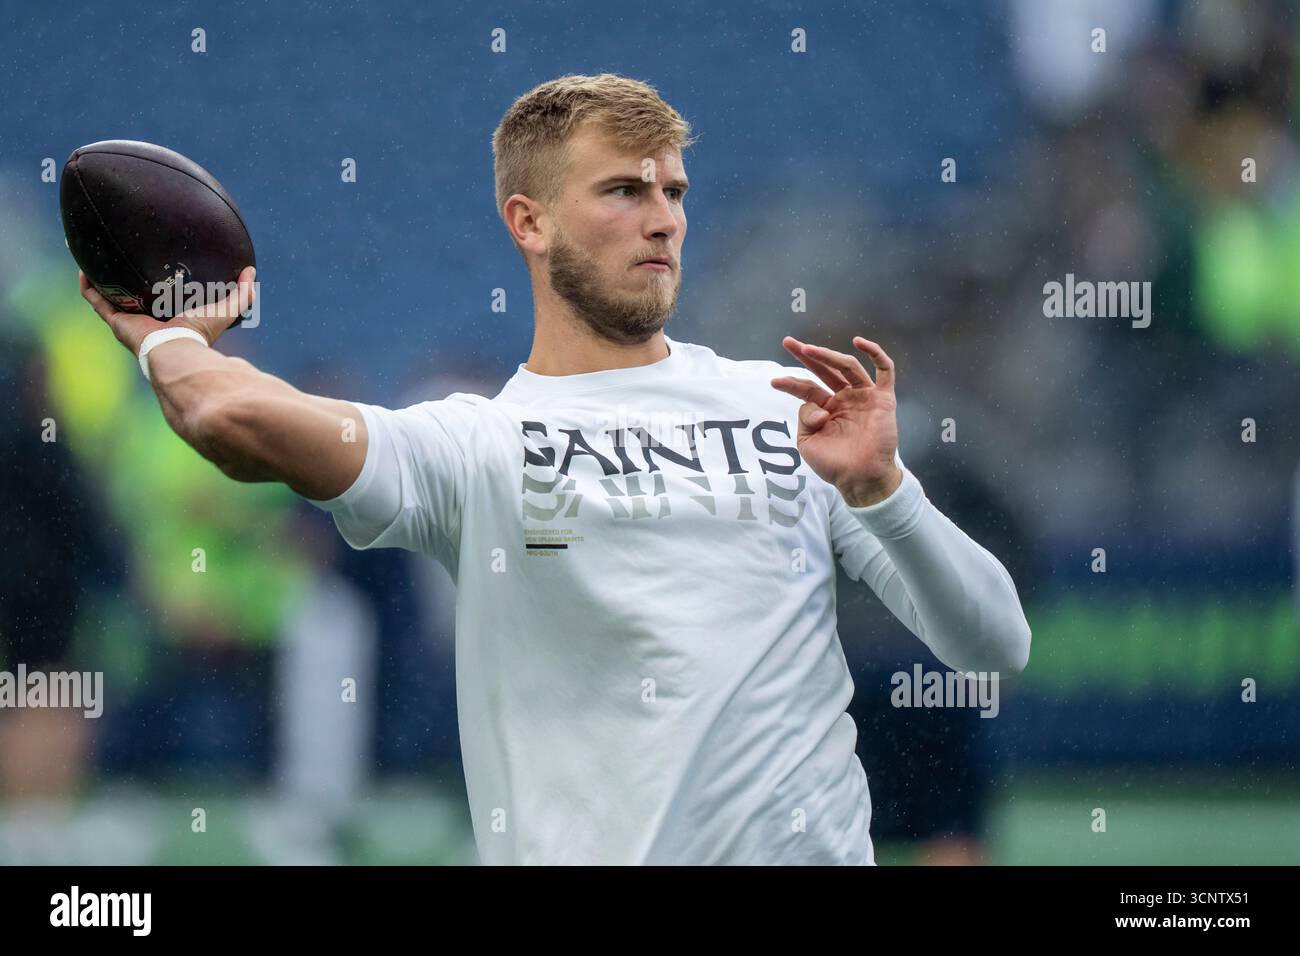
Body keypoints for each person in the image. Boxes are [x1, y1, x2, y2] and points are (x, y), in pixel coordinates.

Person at [77, 73, 1031, 865]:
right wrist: (170, 342)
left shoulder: (785, 410)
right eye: (624, 190)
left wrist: (887, 494)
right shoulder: (474, 446)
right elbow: (224, 414)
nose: (662, 220)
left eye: (675, 193)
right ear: (528, 223)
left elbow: (995, 644)